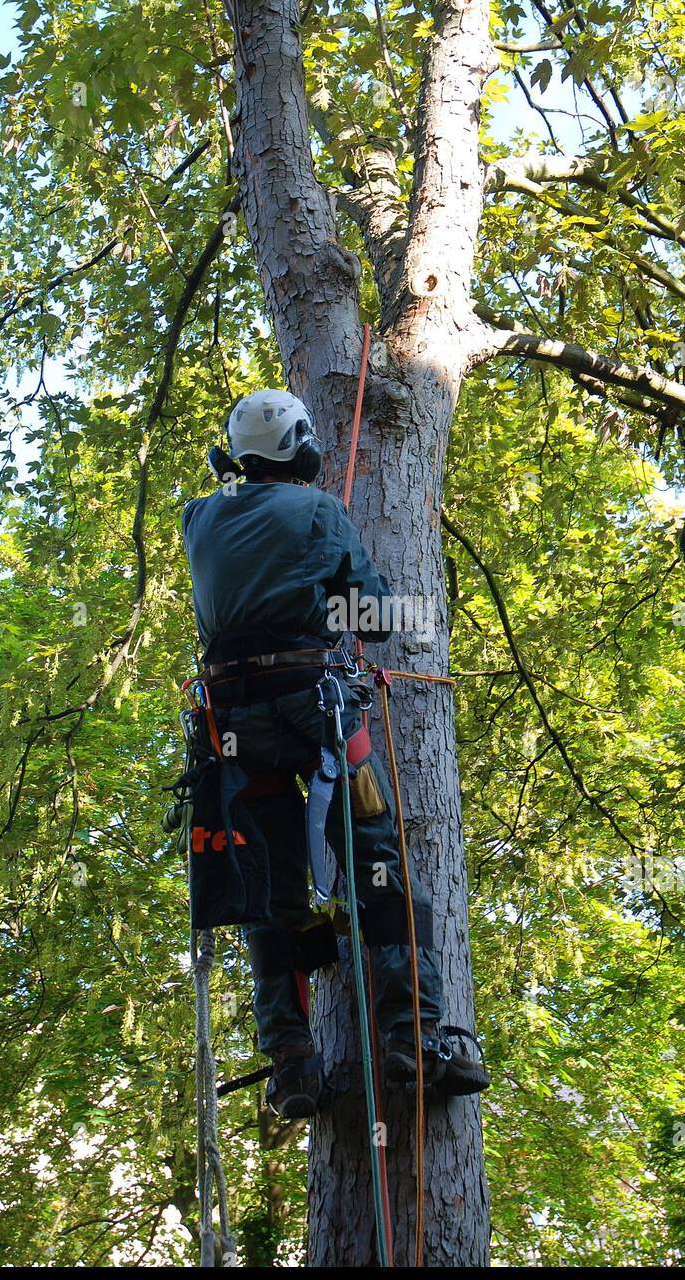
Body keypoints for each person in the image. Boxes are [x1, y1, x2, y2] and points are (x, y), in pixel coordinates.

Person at [181, 388, 489, 1117]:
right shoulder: (318, 511)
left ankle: (292, 1067)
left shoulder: (197, 517)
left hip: (235, 730)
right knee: (377, 866)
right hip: (316, 713)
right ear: (303, 447)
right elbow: (377, 619)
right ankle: (413, 1041)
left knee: (269, 892)